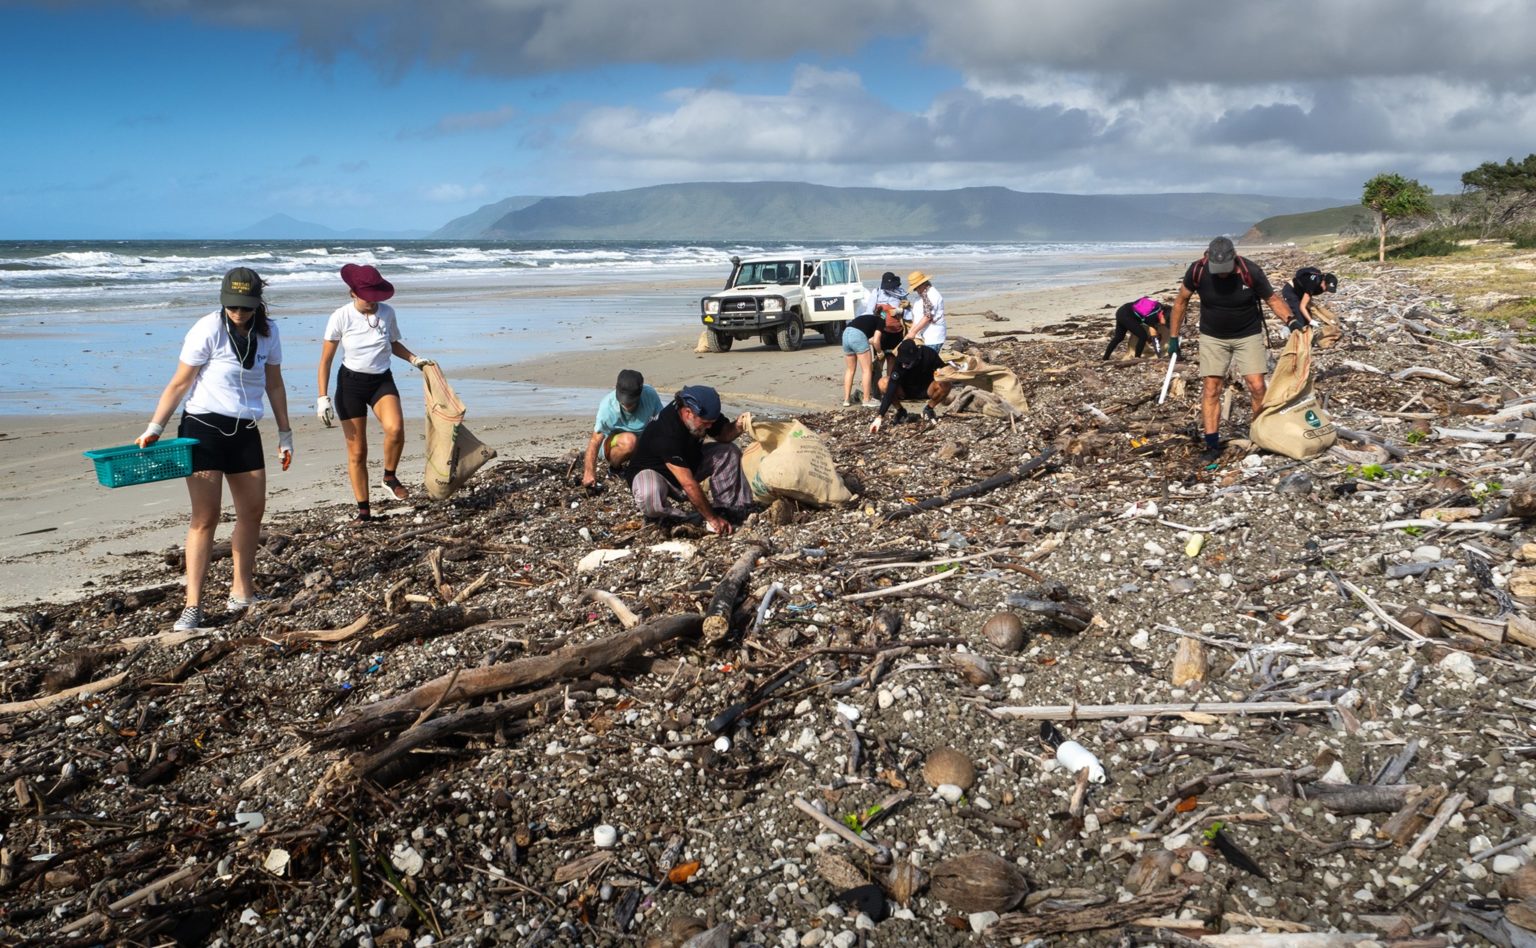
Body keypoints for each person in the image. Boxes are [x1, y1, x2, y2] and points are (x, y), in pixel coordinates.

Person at [136, 267, 293, 631]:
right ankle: (193, 605)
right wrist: (155, 427)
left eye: (246, 307)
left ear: (258, 303)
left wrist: (285, 433)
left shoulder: (269, 332)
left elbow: (274, 384)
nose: (238, 312)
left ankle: (242, 591)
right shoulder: (207, 328)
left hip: (246, 429)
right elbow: (180, 383)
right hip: (203, 429)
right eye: (232, 306)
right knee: (205, 517)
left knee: (252, 512)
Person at [315, 264, 432, 522]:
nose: (372, 301)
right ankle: (364, 511)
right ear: (352, 293)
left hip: (381, 381)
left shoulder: (387, 313)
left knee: (396, 429)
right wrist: (322, 397)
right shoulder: (340, 316)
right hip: (350, 385)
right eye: (367, 296)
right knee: (358, 452)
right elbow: (325, 361)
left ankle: (389, 477)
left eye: (375, 296)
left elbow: (393, 343)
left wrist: (414, 359)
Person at [1167, 236, 1298, 464]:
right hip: (1212, 336)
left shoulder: (1251, 271)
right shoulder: (1198, 270)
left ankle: (1260, 437)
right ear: (1208, 259)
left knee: (1257, 386)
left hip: (1248, 334)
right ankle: (1211, 445)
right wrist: (1173, 337)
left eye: (1225, 269)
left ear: (1234, 258)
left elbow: (1272, 299)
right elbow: (1181, 301)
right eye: (1217, 270)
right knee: (1211, 388)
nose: (1221, 275)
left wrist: (1292, 321)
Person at [626, 385, 751, 536]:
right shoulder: (667, 432)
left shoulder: (703, 413)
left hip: (689, 461)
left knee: (729, 452)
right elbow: (688, 484)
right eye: (705, 423)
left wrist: (739, 425)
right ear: (687, 413)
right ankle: (671, 519)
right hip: (654, 472)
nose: (709, 426)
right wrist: (712, 519)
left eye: (712, 422)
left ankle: (729, 508)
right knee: (650, 494)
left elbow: (724, 435)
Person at [582, 369, 663, 488]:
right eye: (623, 402)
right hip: (613, 445)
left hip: (640, 443)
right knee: (630, 440)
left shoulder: (650, 395)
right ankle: (614, 469)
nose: (626, 404)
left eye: (630, 402)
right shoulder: (608, 406)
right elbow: (595, 440)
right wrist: (589, 472)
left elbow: (662, 424)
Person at [868, 339, 954, 433]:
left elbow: (944, 370)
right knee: (883, 383)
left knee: (946, 383)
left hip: (927, 389)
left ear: (917, 357)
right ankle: (901, 411)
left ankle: (929, 409)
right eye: (903, 362)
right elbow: (890, 390)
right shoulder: (899, 364)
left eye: (907, 362)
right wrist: (880, 416)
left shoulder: (928, 354)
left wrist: (947, 372)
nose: (904, 365)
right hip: (905, 391)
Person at [859, 271, 908, 378]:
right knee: (879, 359)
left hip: (897, 331)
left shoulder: (901, 293)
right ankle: (877, 383)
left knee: (892, 359)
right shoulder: (876, 292)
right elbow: (870, 311)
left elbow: (908, 312)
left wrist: (900, 311)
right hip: (880, 332)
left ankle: (888, 383)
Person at [1280, 267, 1343, 349]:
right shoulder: (1313, 284)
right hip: (1291, 291)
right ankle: (1291, 334)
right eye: (1326, 287)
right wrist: (1311, 321)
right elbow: (1302, 306)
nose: (1326, 290)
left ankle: (1306, 339)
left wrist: (1322, 318)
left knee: (1307, 316)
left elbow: (1308, 300)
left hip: (1301, 293)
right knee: (1300, 318)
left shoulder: (1319, 286)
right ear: (1323, 281)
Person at [840, 309, 885, 408]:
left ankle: (846, 399)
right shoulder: (881, 320)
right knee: (866, 370)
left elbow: (869, 339)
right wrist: (879, 352)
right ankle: (866, 399)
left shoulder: (865, 317)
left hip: (846, 334)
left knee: (850, 370)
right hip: (858, 336)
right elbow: (876, 340)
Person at [1103, 296, 1170, 360]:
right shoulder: (1152, 316)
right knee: (1143, 336)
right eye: (1165, 322)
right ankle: (1137, 357)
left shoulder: (1160, 307)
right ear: (1162, 315)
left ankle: (1105, 357)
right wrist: (1159, 355)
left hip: (1122, 310)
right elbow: (1154, 336)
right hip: (1126, 315)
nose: (1164, 324)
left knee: (1119, 337)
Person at [906, 270, 946, 352]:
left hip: (933, 337)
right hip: (923, 336)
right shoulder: (921, 296)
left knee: (928, 359)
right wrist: (911, 332)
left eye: (917, 287)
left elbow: (927, 316)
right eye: (915, 288)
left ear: (923, 284)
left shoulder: (932, 295)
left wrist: (914, 332)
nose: (916, 290)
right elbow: (917, 318)